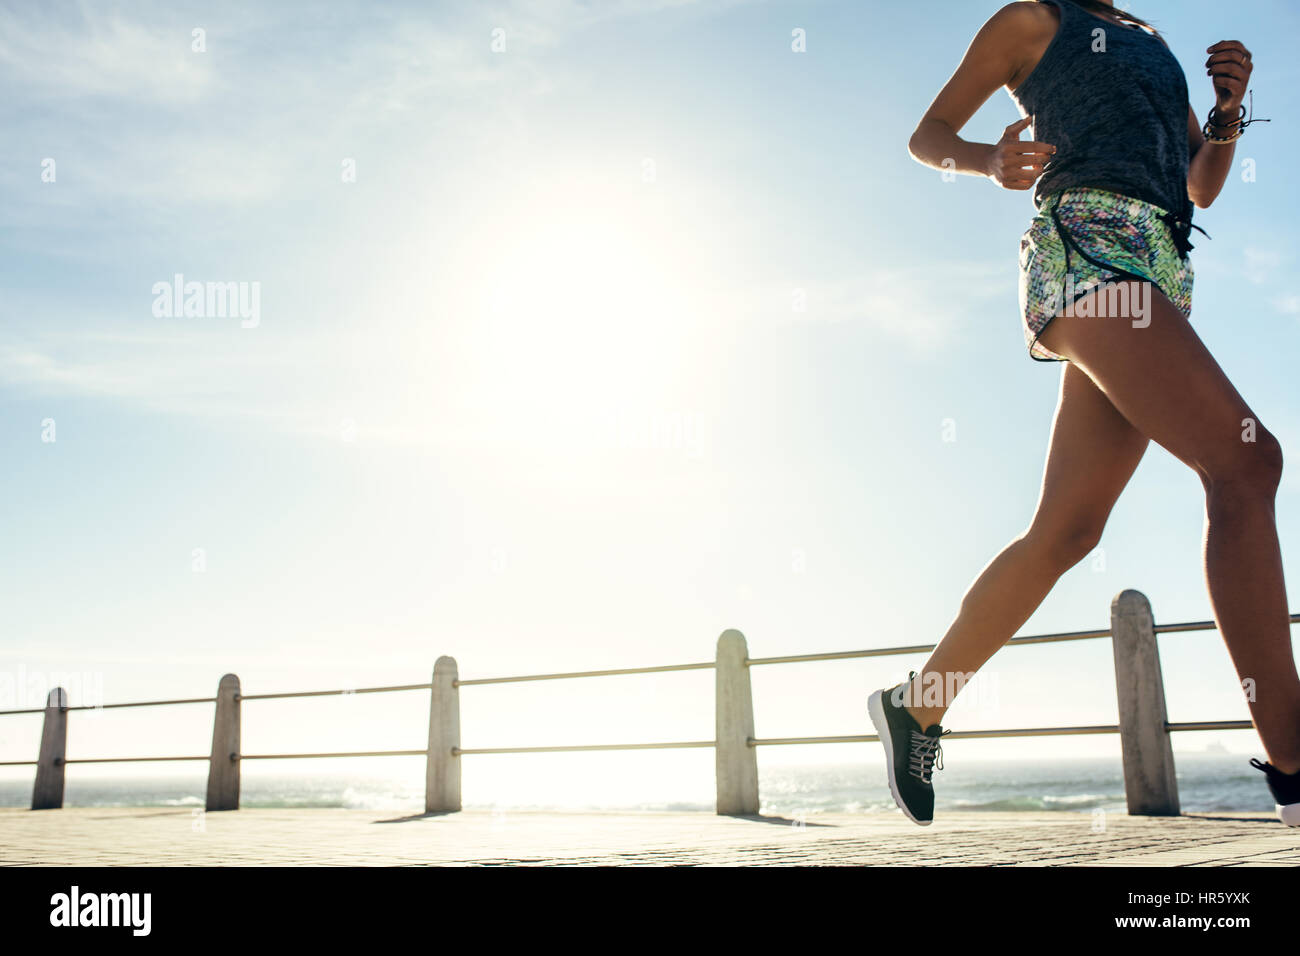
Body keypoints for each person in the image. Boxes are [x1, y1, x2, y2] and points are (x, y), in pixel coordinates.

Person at [867, 0, 1299, 827]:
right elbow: (929, 135)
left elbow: (1199, 186)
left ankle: (917, 703)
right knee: (1248, 463)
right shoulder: (1032, 22)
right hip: (1087, 246)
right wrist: (987, 158)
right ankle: (1295, 762)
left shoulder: (1150, 40)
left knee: (1068, 531)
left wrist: (1226, 113)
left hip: (1161, 267)